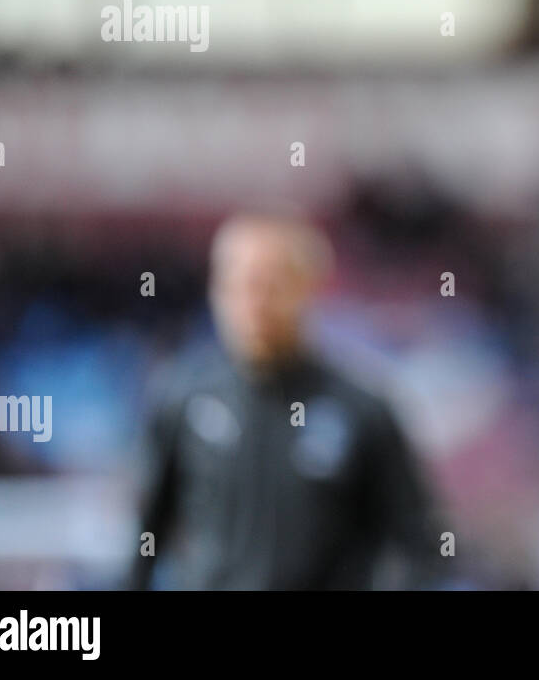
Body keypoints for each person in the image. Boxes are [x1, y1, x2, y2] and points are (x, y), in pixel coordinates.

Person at [127, 211, 441, 589]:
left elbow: (420, 544)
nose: (254, 302)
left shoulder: (361, 410)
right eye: (239, 284)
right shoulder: (184, 397)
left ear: (309, 287)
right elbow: (145, 534)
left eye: (271, 285)